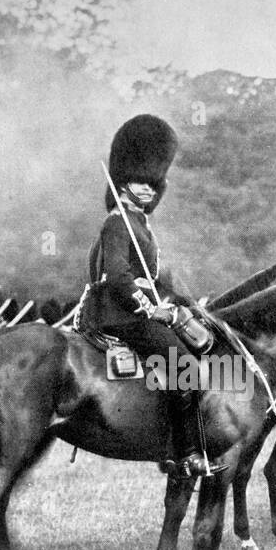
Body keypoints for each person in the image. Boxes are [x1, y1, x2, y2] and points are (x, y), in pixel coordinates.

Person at [79, 114, 215, 478]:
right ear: (124, 182)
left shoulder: (140, 223)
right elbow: (119, 277)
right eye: (141, 182)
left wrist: (189, 304)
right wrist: (150, 310)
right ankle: (185, 454)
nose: (148, 189)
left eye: (153, 184)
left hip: (138, 312)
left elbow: (160, 277)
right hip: (121, 315)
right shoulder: (117, 221)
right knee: (185, 366)